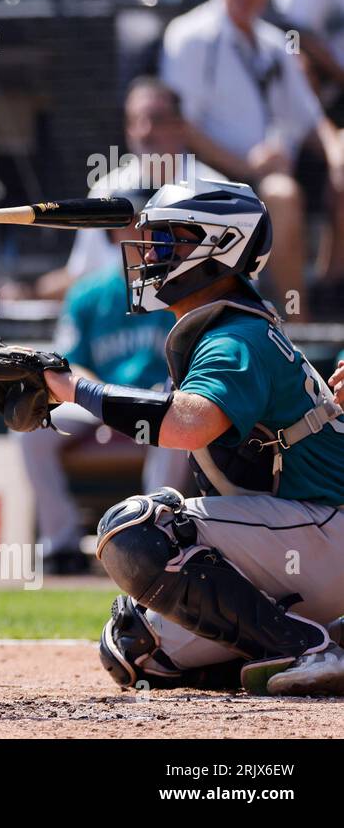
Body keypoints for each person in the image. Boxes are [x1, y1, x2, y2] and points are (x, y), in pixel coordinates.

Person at [41, 177, 344, 696]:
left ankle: (307, 648)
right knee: (136, 646)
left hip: (325, 532)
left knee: (138, 529)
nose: (150, 254)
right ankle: (317, 643)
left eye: (166, 240)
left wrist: (74, 391)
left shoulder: (236, 337)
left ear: (221, 245)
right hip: (303, 540)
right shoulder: (221, 328)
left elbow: (188, 424)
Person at [160, 0, 344, 317]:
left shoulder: (275, 42)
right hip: (211, 179)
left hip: (269, 173)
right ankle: (299, 329)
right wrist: (248, 166)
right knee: (281, 194)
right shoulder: (189, 35)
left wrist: (336, 155)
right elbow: (183, 127)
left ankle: (332, 286)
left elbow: (311, 120)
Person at [19, 196, 191, 575]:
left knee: (177, 411)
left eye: (148, 225)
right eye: (130, 223)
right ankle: (61, 545)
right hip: (98, 399)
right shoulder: (89, 292)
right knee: (32, 431)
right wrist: (95, 394)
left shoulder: (177, 286)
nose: (137, 233)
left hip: (158, 402)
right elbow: (67, 361)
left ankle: (154, 534)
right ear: (114, 232)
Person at [35, 77, 224, 301]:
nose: (145, 131)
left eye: (157, 119)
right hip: (120, 326)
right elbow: (83, 277)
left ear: (180, 126)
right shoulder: (105, 191)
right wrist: (24, 293)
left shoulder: (215, 191)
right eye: (135, 120)